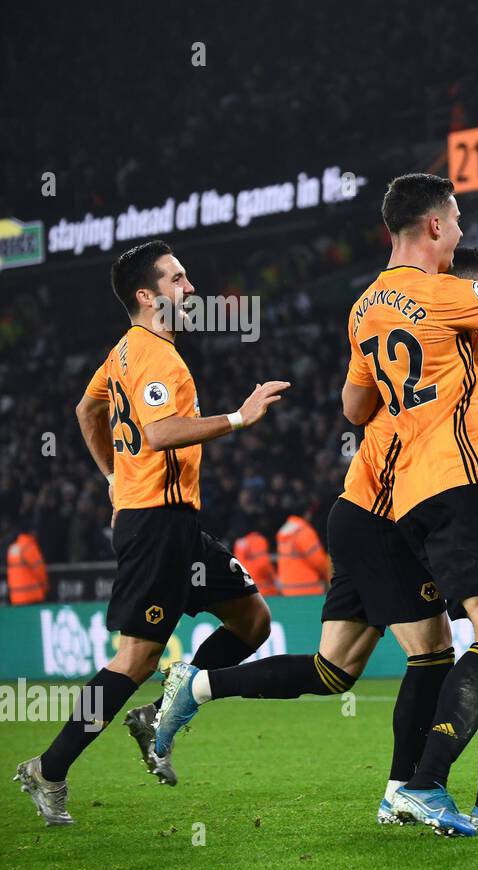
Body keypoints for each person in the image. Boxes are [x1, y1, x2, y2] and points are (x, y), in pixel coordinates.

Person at [154, 237, 478, 833]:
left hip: (372, 509)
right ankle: (417, 787)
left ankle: (202, 687)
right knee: (449, 650)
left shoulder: (430, 340)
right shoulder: (447, 318)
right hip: (383, 514)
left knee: (337, 670)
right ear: (467, 290)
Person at [15, 241, 286, 825]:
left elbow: (86, 412)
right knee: (135, 658)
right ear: (148, 294)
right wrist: (240, 417)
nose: (190, 289)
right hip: (155, 525)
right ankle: (49, 769)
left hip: (176, 523)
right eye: (179, 279)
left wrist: (114, 477)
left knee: (253, 620)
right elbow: (162, 434)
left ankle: (160, 711)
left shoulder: (121, 355)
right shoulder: (156, 356)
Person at [6, 530, 48, 605]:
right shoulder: (29, 547)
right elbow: (39, 570)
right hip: (31, 596)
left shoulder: (12, 548)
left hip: (15, 598)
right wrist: (45, 588)